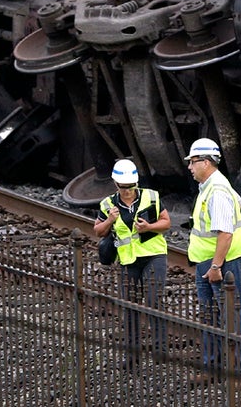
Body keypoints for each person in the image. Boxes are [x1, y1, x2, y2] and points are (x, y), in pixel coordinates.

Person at [94, 158, 170, 371]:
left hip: (154, 255)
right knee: (130, 307)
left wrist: (149, 227)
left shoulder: (151, 197)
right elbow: (98, 230)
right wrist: (110, 220)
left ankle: (160, 353)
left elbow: (166, 222)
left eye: (130, 186)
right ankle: (132, 356)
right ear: (115, 184)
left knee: (154, 302)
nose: (127, 191)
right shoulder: (108, 204)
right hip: (128, 260)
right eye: (123, 187)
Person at [185, 137, 241, 385]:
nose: (190, 167)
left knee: (231, 317)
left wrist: (216, 266)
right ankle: (212, 367)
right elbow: (239, 202)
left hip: (222, 264)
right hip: (208, 261)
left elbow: (225, 233)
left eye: (193, 162)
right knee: (209, 315)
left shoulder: (218, 191)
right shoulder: (212, 186)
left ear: (206, 162)